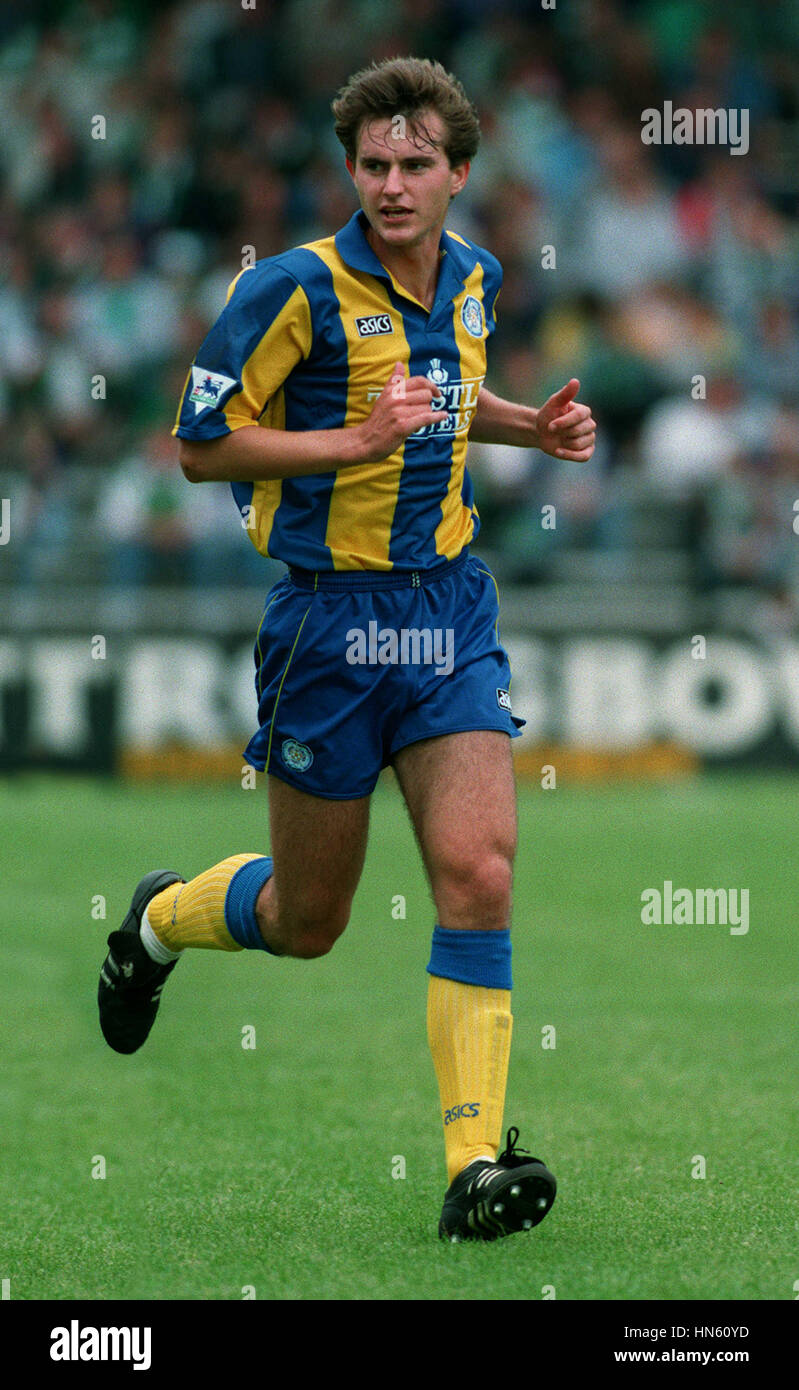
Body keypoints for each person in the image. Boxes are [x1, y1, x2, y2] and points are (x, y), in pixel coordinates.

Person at [97, 57, 596, 1242]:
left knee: (477, 868)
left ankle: (474, 1161)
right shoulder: (290, 288)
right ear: (352, 171)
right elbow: (201, 448)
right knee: (311, 919)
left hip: (448, 611)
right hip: (327, 623)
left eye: (416, 163)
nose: (392, 182)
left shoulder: (470, 277)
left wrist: (533, 424)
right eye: (373, 163)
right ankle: (161, 921)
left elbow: (451, 394)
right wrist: (352, 440)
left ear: (457, 172)